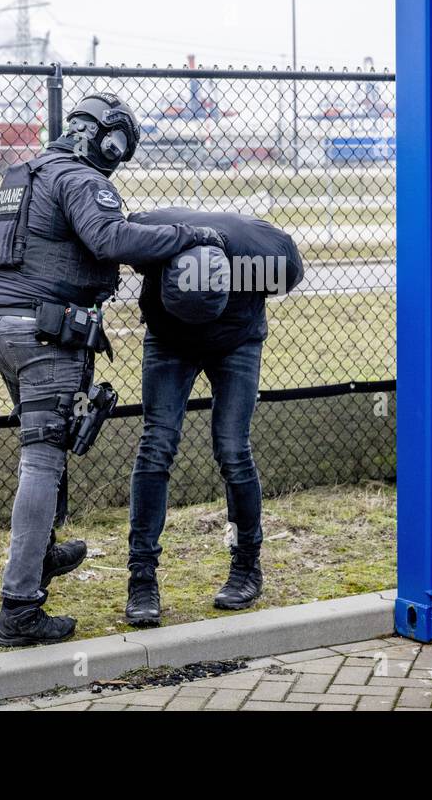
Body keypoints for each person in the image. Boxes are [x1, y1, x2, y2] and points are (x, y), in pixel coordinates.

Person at [0, 93, 225, 646]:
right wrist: (190, 236)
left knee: (50, 447)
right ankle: (18, 608)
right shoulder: (83, 180)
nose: (119, 157)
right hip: (47, 331)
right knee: (42, 462)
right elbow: (110, 238)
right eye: (121, 147)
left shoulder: (26, 173)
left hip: (1, 325)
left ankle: (40, 556)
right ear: (109, 139)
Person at [121, 207, 303, 626]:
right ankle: (142, 578)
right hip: (169, 340)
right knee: (156, 446)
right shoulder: (150, 240)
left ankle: (246, 567)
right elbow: (104, 242)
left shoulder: (266, 257)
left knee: (232, 448)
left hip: (236, 339)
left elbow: (292, 275)